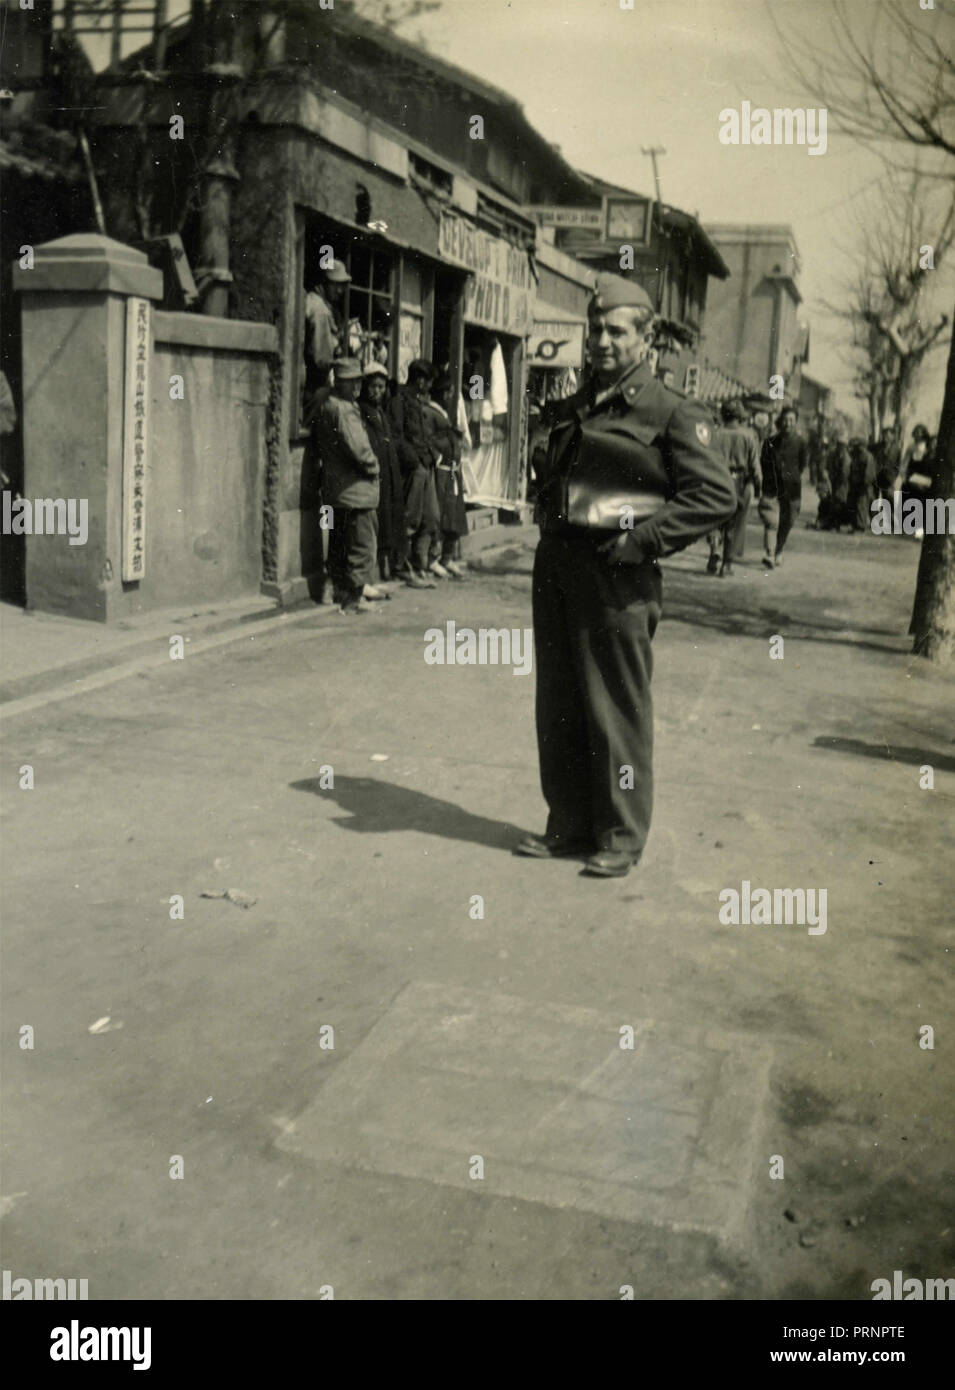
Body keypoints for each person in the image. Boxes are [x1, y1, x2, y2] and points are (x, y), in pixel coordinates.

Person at [514, 274, 737, 879]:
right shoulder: (581, 401)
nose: (603, 341)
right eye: (596, 329)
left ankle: (621, 833)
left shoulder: (668, 409)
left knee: (615, 707)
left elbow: (716, 495)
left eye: (617, 331)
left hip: (618, 577)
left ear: (645, 339)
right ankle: (568, 823)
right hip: (559, 564)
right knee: (559, 701)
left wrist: (643, 540)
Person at [312, 357, 380, 615]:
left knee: (339, 542)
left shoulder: (326, 402)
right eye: (352, 383)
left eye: (357, 382)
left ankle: (338, 591)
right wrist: (374, 467)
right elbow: (359, 449)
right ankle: (353, 600)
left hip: (336, 488)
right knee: (361, 545)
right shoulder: (345, 410)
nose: (357, 388)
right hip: (357, 490)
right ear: (341, 383)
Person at [389, 358, 441, 587]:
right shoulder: (399, 401)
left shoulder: (416, 401)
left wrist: (431, 457)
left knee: (431, 517)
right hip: (413, 469)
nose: (429, 387)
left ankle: (420, 563)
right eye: (428, 382)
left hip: (425, 466)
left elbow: (423, 436)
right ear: (420, 381)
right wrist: (415, 463)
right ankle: (402, 565)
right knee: (411, 518)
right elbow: (397, 437)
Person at [359, 363, 405, 584]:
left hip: (388, 473)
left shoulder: (382, 413)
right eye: (373, 386)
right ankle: (372, 573)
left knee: (388, 519)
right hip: (374, 474)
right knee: (375, 522)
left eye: (381, 387)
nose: (377, 391)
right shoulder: (361, 411)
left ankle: (385, 566)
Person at [705, 397, 760, 576]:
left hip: (717, 479)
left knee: (714, 519)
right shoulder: (748, 436)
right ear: (740, 416)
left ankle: (714, 550)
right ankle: (726, 564)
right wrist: (759, 485)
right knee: (733, 524)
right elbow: (754, 465)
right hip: (739, 482)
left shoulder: (715, 434)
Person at [422, 373, 469, 579]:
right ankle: (433, 557)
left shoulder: (445, 413)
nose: (451, 396)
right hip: (441, 473)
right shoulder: (430, 412)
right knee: (438, 515)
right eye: (449, 392)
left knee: (453, 515)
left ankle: (447, 557)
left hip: (452, 472)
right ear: (442, 393)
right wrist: (439, 458)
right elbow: (428, 440)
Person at [757, 404, 807, 568]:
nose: (788, 423)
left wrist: (792, 476)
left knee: (788, 521)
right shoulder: (770, 442)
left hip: (792, 490)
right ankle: (771, 553)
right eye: (785, 420)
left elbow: (802, 464)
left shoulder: (801, 443)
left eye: (791, 420)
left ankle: (778, 550)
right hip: (773, 488)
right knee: (772, 521)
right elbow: (763, 464)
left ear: (796, 422)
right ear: (781, 421)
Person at [304, 259, 350, 403]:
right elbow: (322, 359)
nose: (339, 290)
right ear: (324, 282)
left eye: (342, 285)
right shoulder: (320, 310)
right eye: (335, 284)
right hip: (313, 383)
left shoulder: (323, 305)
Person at [846, 437, 878, 532]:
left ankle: (861, 526)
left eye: (859, 446)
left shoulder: (868, 457)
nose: (858, 448)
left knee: (862, 505)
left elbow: (869, 473)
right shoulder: (856, 456)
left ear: (864, 446)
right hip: (855, 484)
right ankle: (855, 525)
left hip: (864, 486)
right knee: (855, 504)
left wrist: (864, 484)